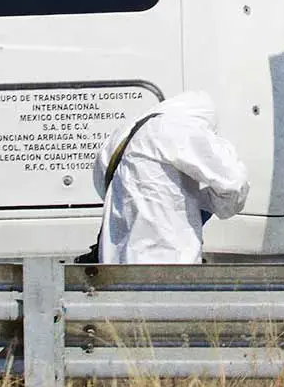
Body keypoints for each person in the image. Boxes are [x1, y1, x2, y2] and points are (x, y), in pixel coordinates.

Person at [92, 91, 250, 264]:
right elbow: (234, 185)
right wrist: (204, 205)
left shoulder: (121, 136)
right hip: (169, 263)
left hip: (116, 266)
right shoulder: (178, 126)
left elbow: (104, 187)